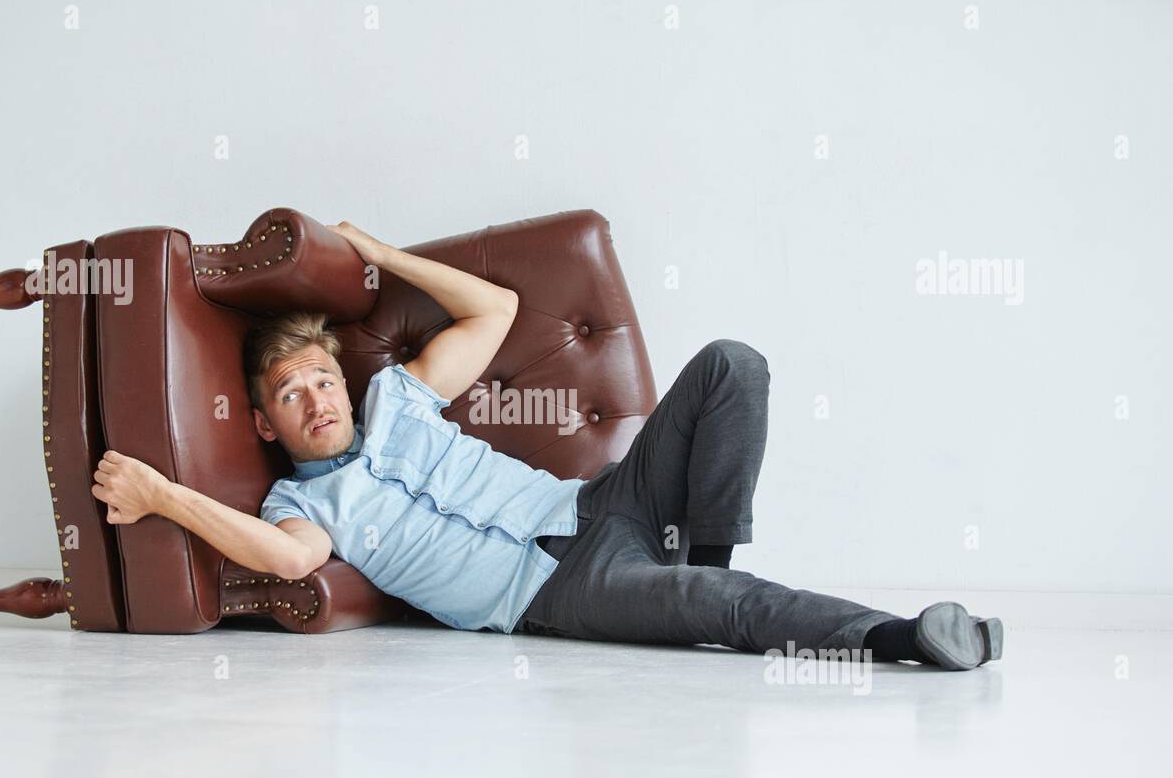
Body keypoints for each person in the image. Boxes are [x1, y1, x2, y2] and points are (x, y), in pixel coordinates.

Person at [91, 221, 1002, 670]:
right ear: (265, 424)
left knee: (733, 365)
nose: (315, 400)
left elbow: (495, 310)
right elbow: (283, 558)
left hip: (602, 505)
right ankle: (900, 639)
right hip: (560, 591)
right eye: (289, 395)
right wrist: (165, 495)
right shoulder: (303, 508)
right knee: (724, 605)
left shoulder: (400, 401)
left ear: (344, 380)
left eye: (321, 379)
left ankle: (702, 569)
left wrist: (382, 253)